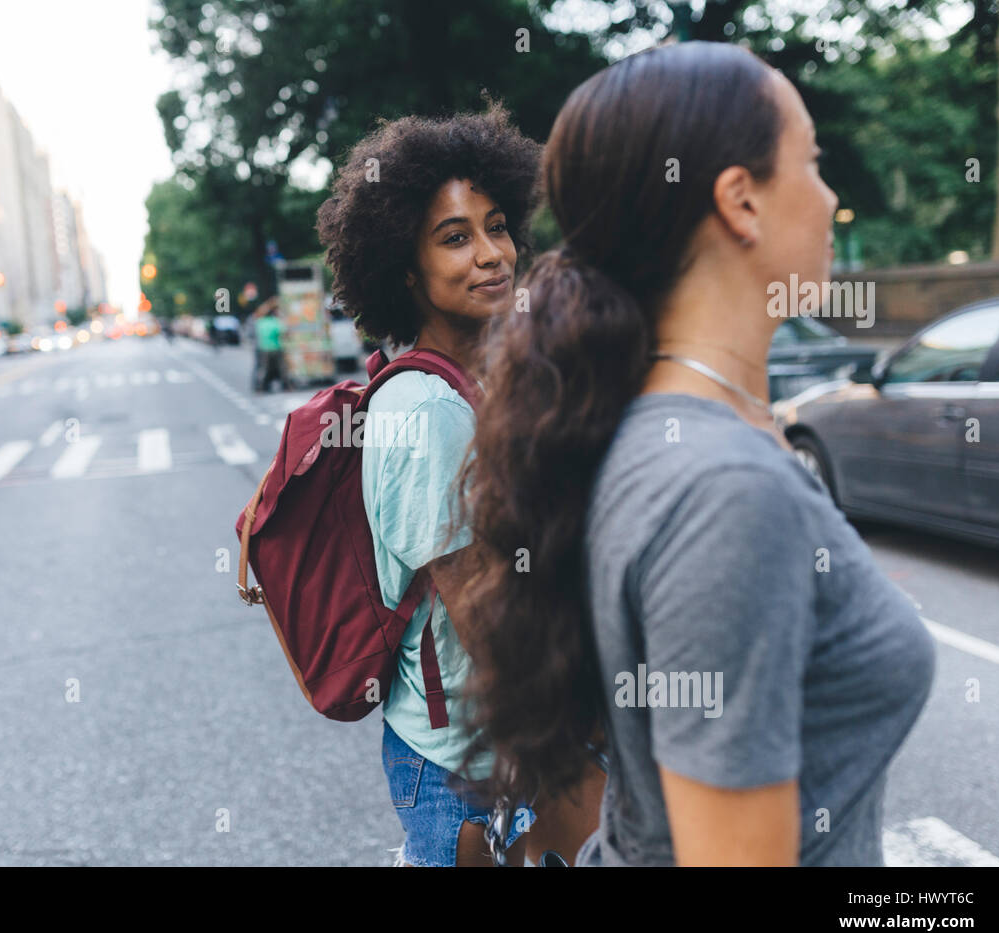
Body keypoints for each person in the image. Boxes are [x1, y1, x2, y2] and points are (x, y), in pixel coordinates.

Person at [455, 42, 936, 866]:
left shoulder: (643, 425)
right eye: (812, 163)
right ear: (741, 201)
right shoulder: (721, 489)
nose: (829, 197)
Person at [317, 104, 603, 867]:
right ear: (404, 271)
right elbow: (481, 606)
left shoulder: (483, 378)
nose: (491, 254)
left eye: (497, 225)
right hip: (467, 761)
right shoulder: (426, 407)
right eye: (455, 237)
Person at [253, 300, 284, 393]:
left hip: (263, 348)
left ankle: (260, 387)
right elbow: (281, 332)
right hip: (275, 347)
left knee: (263, 369)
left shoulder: (260, 322)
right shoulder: (275, 321)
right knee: (282, 368)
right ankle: (286, 386)